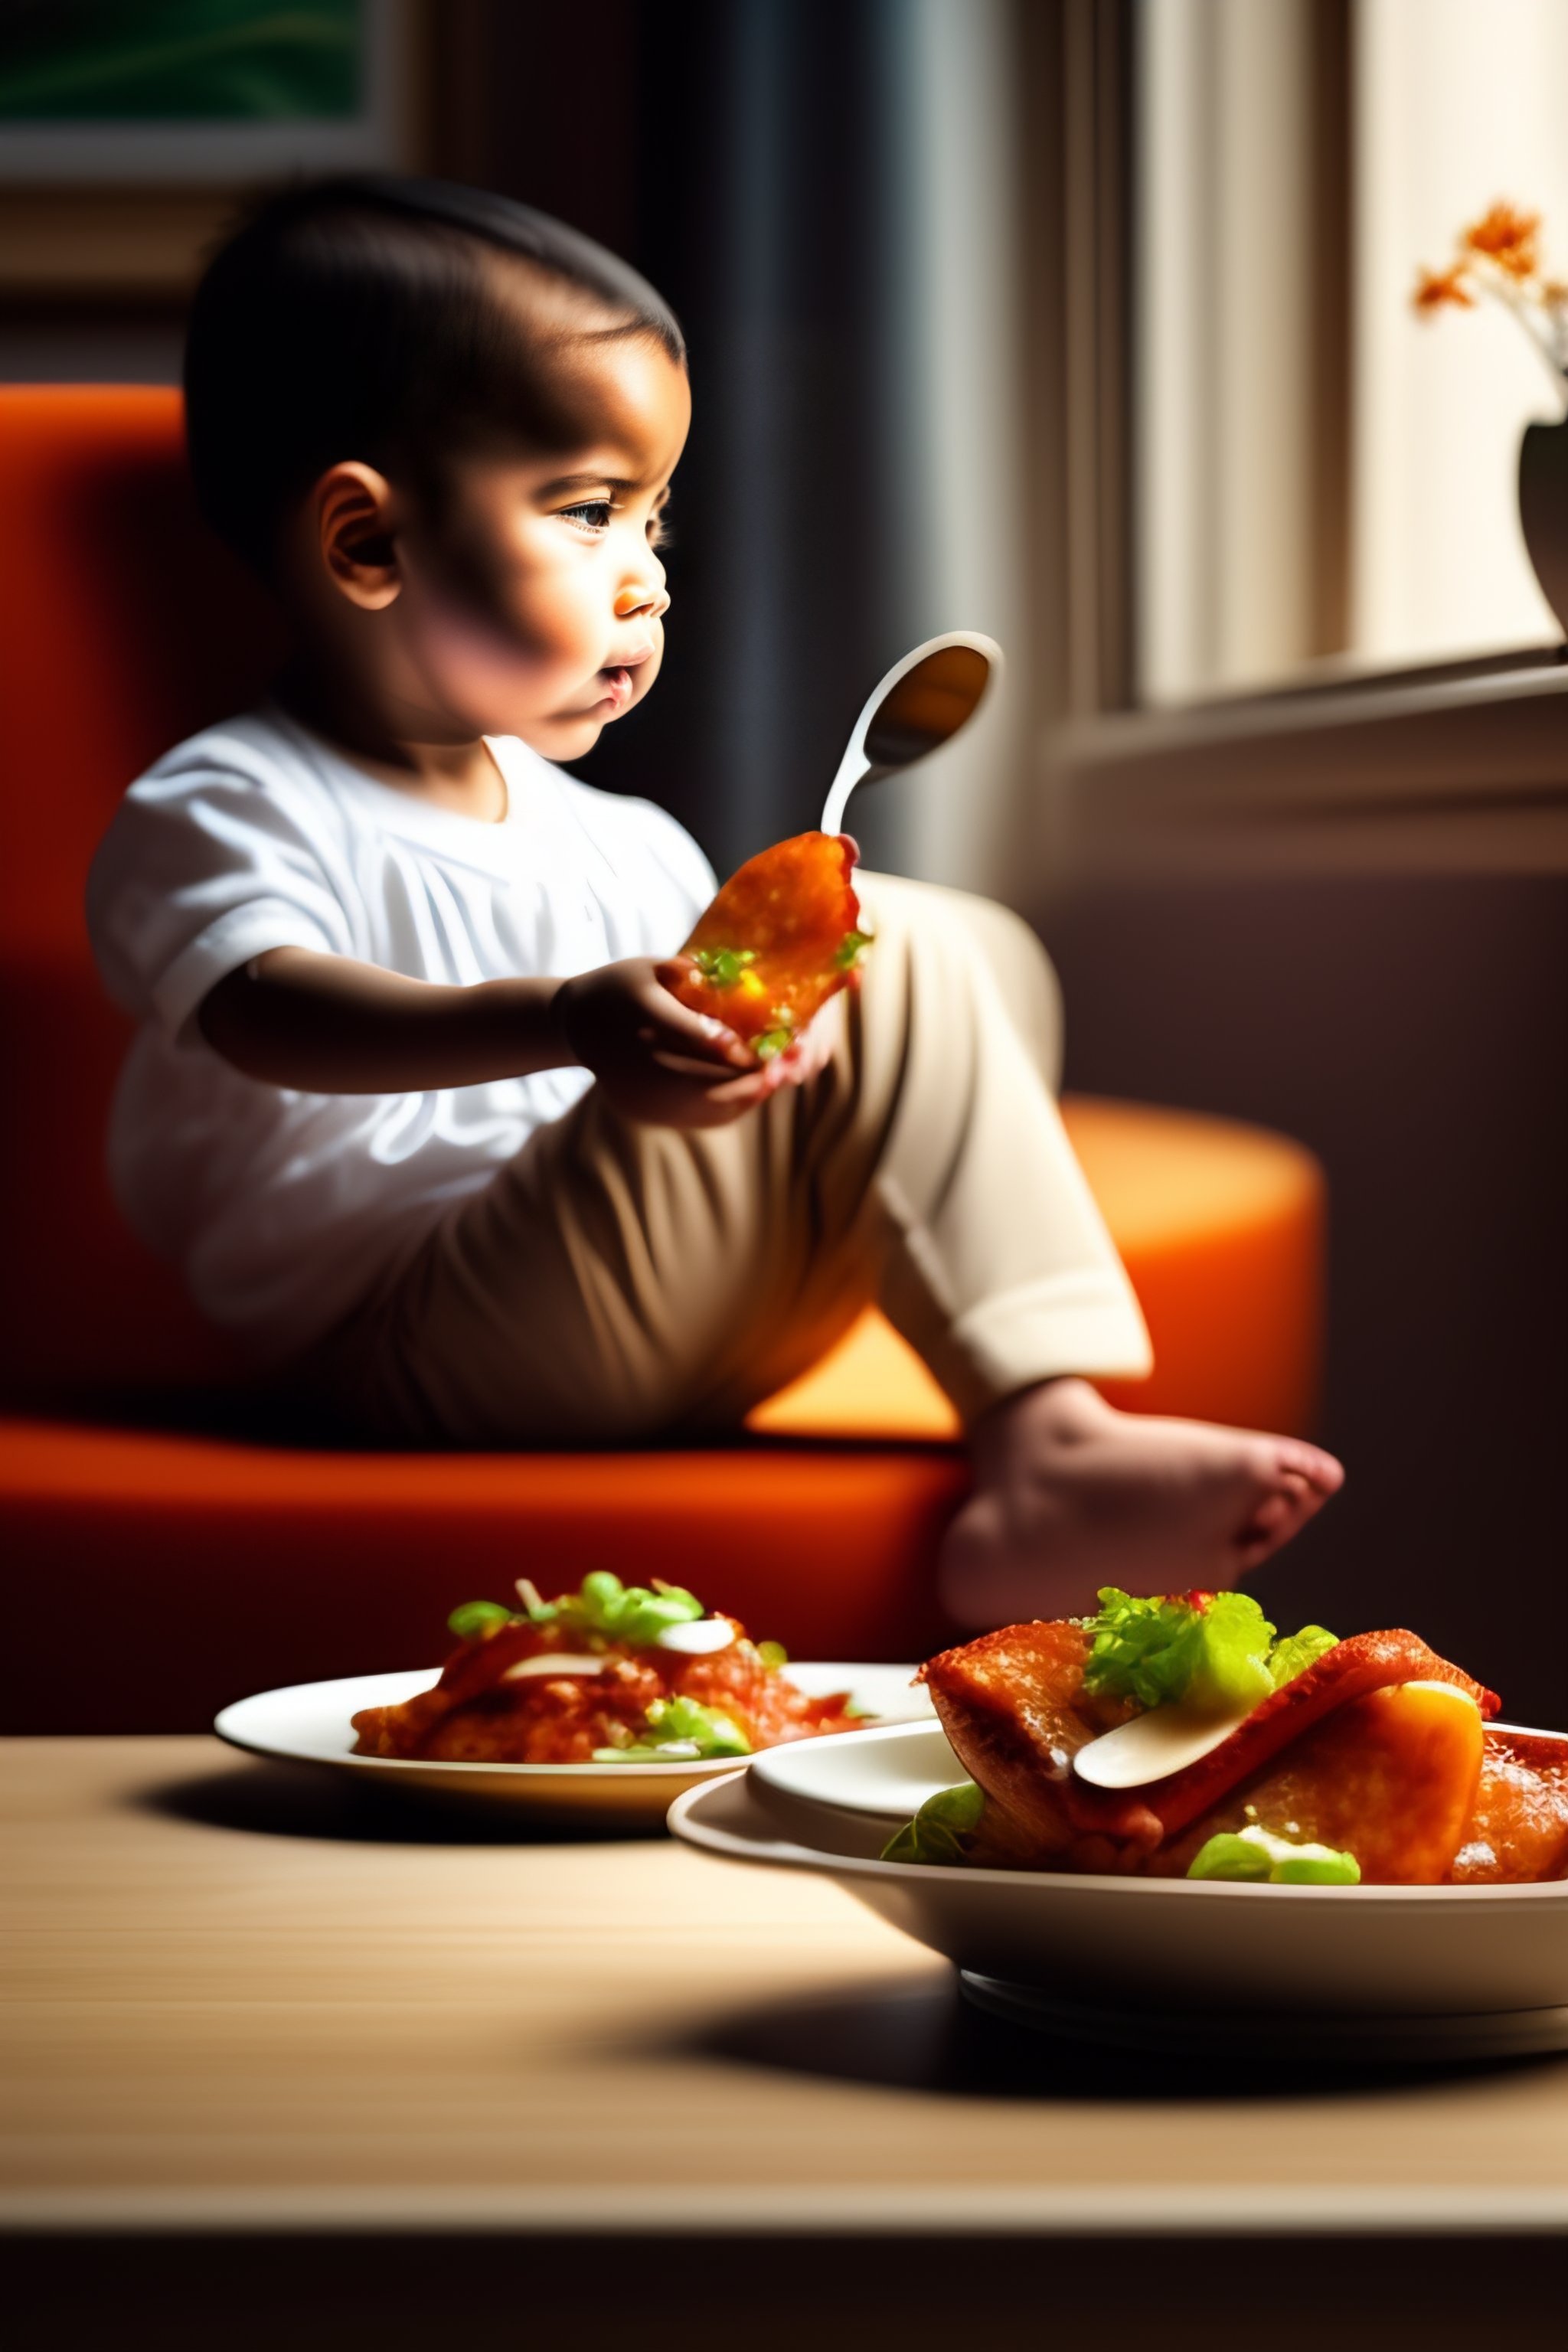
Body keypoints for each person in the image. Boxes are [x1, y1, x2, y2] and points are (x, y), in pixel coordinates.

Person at [85, 177, 1342, 1627]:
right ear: (370, 545)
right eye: (588, 512)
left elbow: (710, 1110)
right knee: (910, 939)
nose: (648, 584)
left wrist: (760, 1065)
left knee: (968, 955)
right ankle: (1047, 1442)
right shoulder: (232, 799)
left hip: (664, 1334)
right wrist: (567, 1022)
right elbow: (267, 1014)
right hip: (398, 1346)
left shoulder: (619, 841)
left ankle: (1043, 1420)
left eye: (656, 522)